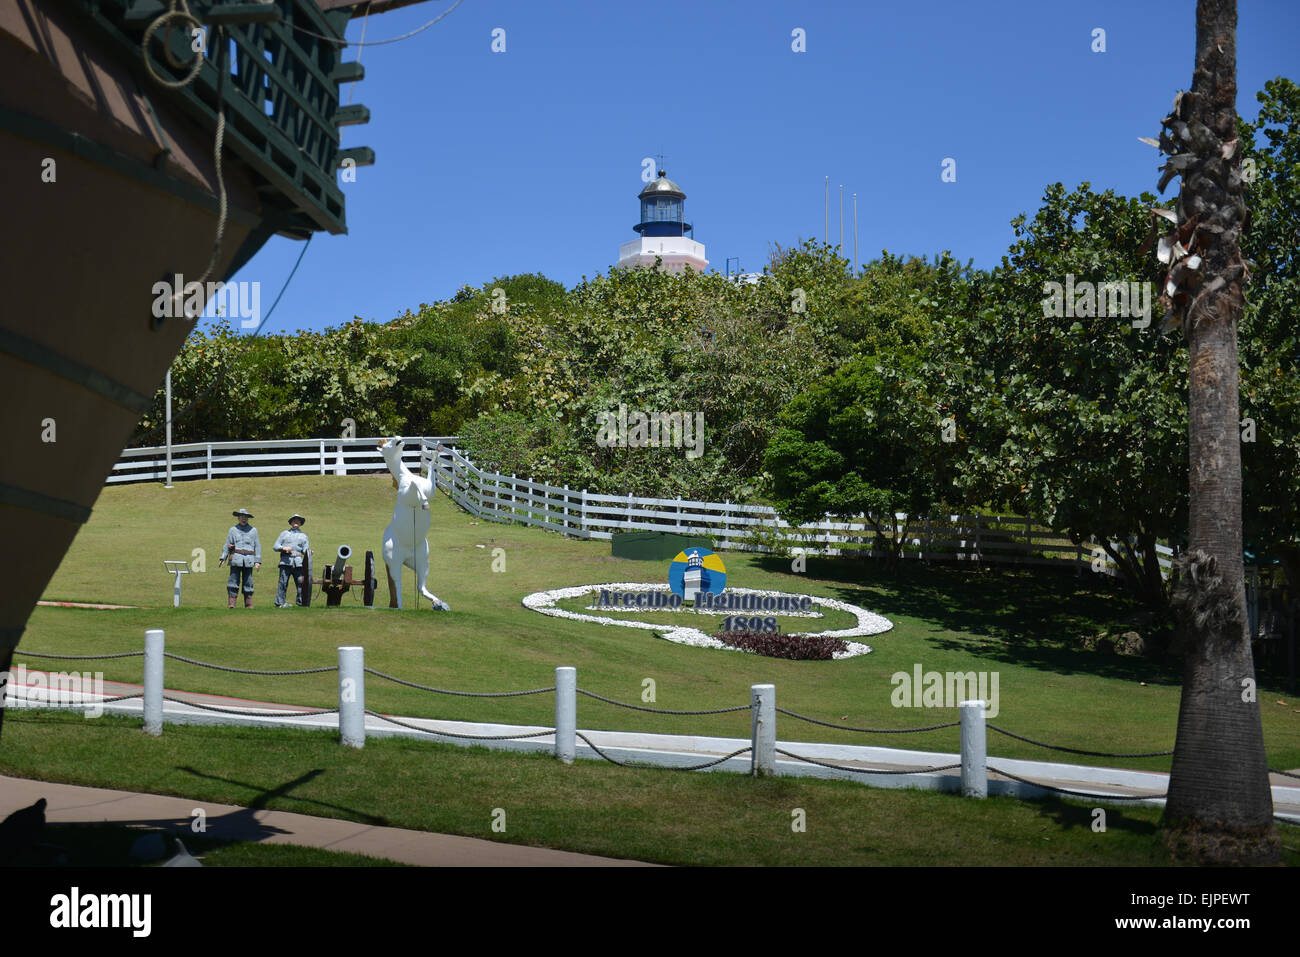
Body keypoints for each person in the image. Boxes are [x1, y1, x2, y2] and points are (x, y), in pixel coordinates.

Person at [222, 508, 261, 608]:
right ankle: (232, 603)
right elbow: (228, 544)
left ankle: (248, 604)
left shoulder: (253, 530)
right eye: (242, 517)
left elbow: (257, 546)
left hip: (249, 560)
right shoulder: (233, 530)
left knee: (248, 581)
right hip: (235, 559)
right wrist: (223, 557)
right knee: (233, 581)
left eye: (246, 517)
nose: (244, 519)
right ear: (238, 518)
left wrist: (257, 561)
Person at [273, 514, 310, 608]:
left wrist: (308, 552)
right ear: (291, 523)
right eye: (294, 521)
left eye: (298, 521)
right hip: (285, 562)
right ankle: (280, 603)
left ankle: (301, 602)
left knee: (300, 582)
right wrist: (283, 548)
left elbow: (305, 549)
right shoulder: (284, 533)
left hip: (298, 563)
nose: (296, 522)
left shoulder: (304, 536)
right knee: (283, 582)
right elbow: (275, 546)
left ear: (301, 523)